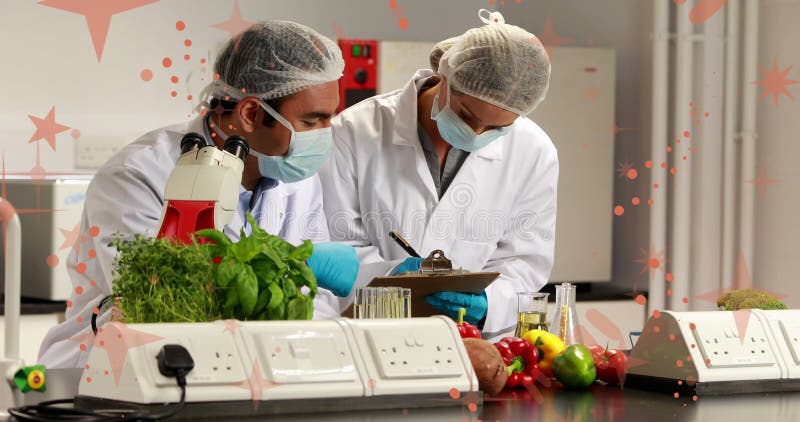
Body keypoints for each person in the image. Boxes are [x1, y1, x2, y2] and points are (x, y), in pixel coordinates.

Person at [39, 21, 358, 368]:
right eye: (312, 122)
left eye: (330, 118)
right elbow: (162, 298)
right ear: (251, 114)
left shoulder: (296, 177)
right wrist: (286, 263)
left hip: (242, 370)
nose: (325, 133)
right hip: (110, 369)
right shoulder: (138, 175)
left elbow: (312, 301)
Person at [319, 9, 558, 339]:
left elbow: (525, 261)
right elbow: (332, 246)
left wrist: (489, 302)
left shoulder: (533, 151)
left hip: (468, 340)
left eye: (497, 128)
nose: (476, 133)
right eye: (466, 115)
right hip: (369, 334)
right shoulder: (353, 132)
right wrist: (390, 275)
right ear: (445, 75)